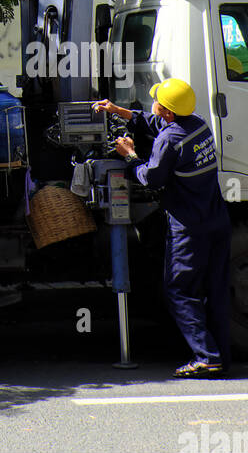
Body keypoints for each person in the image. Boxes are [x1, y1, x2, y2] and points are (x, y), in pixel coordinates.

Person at [94, 80, 232, 379]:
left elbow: (151, 178)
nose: (152, 102)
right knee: (216, 288)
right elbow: (155, 122)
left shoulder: (169, 140)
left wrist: (129, 155)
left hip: (189, 227)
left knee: (179, 290)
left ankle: (206, 357)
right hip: (217, 219)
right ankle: (220, 353)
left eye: (157, 101)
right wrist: (119, 111)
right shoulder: (198, 125)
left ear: (169, 112)